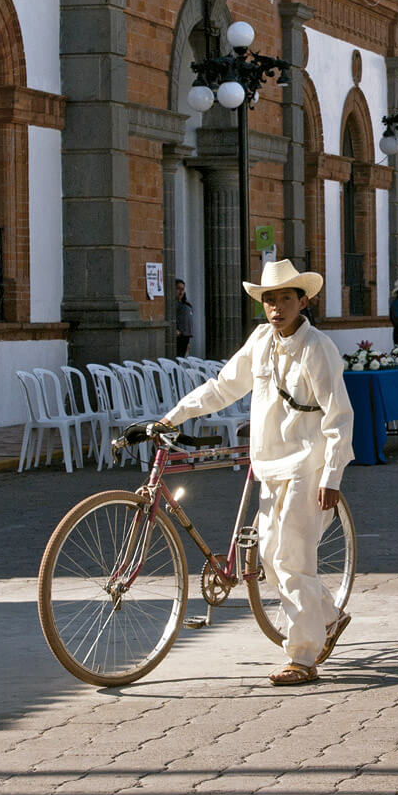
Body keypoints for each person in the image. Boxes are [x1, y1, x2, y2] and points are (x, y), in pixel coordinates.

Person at [155, 259, 353, 687]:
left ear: (304, 300)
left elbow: (339, 416)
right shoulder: (261, 340)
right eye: (269, 299)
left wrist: (331, 476)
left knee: (291, 559)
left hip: (307, 463)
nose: (276, 307)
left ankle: (303, 657)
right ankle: (329, 618)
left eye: (285, 298)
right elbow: (224, 386)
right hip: (268, 464)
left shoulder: (319, 348)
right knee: (269, 557)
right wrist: (174, 417)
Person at [173, 279, 194, 358]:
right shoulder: (174, 304)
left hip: (186, 336)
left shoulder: (187, 305)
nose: (180, 292)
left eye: (182, 289)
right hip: (179, 336)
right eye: (178, 289)